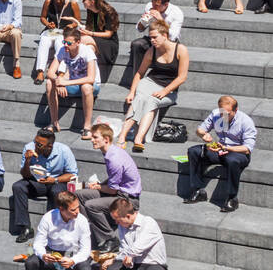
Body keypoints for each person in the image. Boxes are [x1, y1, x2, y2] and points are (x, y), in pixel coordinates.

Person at [119, 19, 188, 150]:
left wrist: (165, 91)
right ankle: (122, 136)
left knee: (152, 101)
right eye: (150, 38)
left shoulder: (180, 50)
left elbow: (182, 77)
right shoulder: (152, 51)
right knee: (138, 99)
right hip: (150, 82)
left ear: (165, 35)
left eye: (155, 37)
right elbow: (140, 73)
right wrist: (132, 92)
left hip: (169, 89)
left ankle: (139, 138)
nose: (152, 40)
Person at [75, 124, 142, 252]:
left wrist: (99, 187)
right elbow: (113, 182)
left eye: (95, 137)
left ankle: (109, 239)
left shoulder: (114, 159)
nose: (92, 140)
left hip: (127, 198)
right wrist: (99, 186)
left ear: (106, 139)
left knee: (90, 205)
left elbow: (112, 190)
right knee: (79, 195)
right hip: (120, 192)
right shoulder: (112, 152)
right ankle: (89, 231)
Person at [184, 95, 256, 212]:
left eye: (227, 113)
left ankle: (232, 198)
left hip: (238, 152)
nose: (224, 116)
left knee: (232, 161)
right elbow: (200, 129)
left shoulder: (245, 121)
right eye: (222, 112)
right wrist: (203, 135)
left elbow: (247, 148)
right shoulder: (216, 114)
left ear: (235, 110)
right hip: (220, 149)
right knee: (194, 151)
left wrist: (229, 148)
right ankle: (198, 191)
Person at [10, 127, 79, 242]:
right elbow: (25, 175)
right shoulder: (29, 148)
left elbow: (73, 174)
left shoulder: (64, 150)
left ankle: (53, 228)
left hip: (57, 181)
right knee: (18, 186)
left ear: (49, 146)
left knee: (56, 192)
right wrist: (27, 161)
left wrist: (55, 179)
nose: (36, 146)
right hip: (38, 182)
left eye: (40, 145)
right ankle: (25, 227)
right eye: (35, 142)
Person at [22, 191, 93, 270]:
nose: (77, 212)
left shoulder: (82, 220)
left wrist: (73, 260)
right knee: (30, 263)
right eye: (73, 210)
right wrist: (43, 255)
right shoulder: (48, 217)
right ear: (61, 209)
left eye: (78, 207)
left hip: (73, 253)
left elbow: (86, 249)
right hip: (52, 252)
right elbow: (38, 243)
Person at [101, 198, 169, 270]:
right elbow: (124, 248)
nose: (116, 223)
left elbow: (140, 245)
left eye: (117, 220)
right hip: (135, 266)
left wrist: (129, 255)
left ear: (128, 216)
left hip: (154, 265)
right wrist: (115, 259)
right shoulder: (122, 226)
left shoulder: (148, 222)